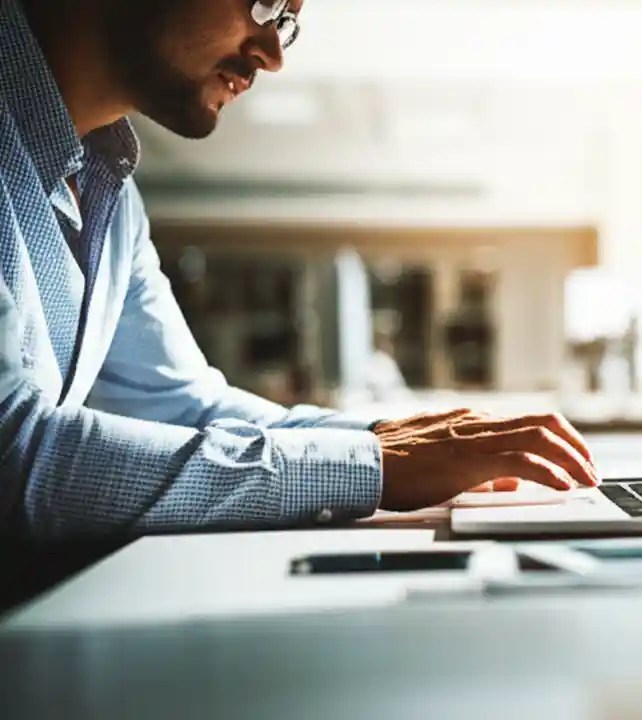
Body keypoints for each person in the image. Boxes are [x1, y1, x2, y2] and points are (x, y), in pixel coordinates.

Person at [0, 0, 599, 543]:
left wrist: (400, 438)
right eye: (263, 3)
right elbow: (15, 457)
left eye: (286, 20)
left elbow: (183, 406)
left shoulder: (112, 194)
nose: (273, 53)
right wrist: (373, 466)